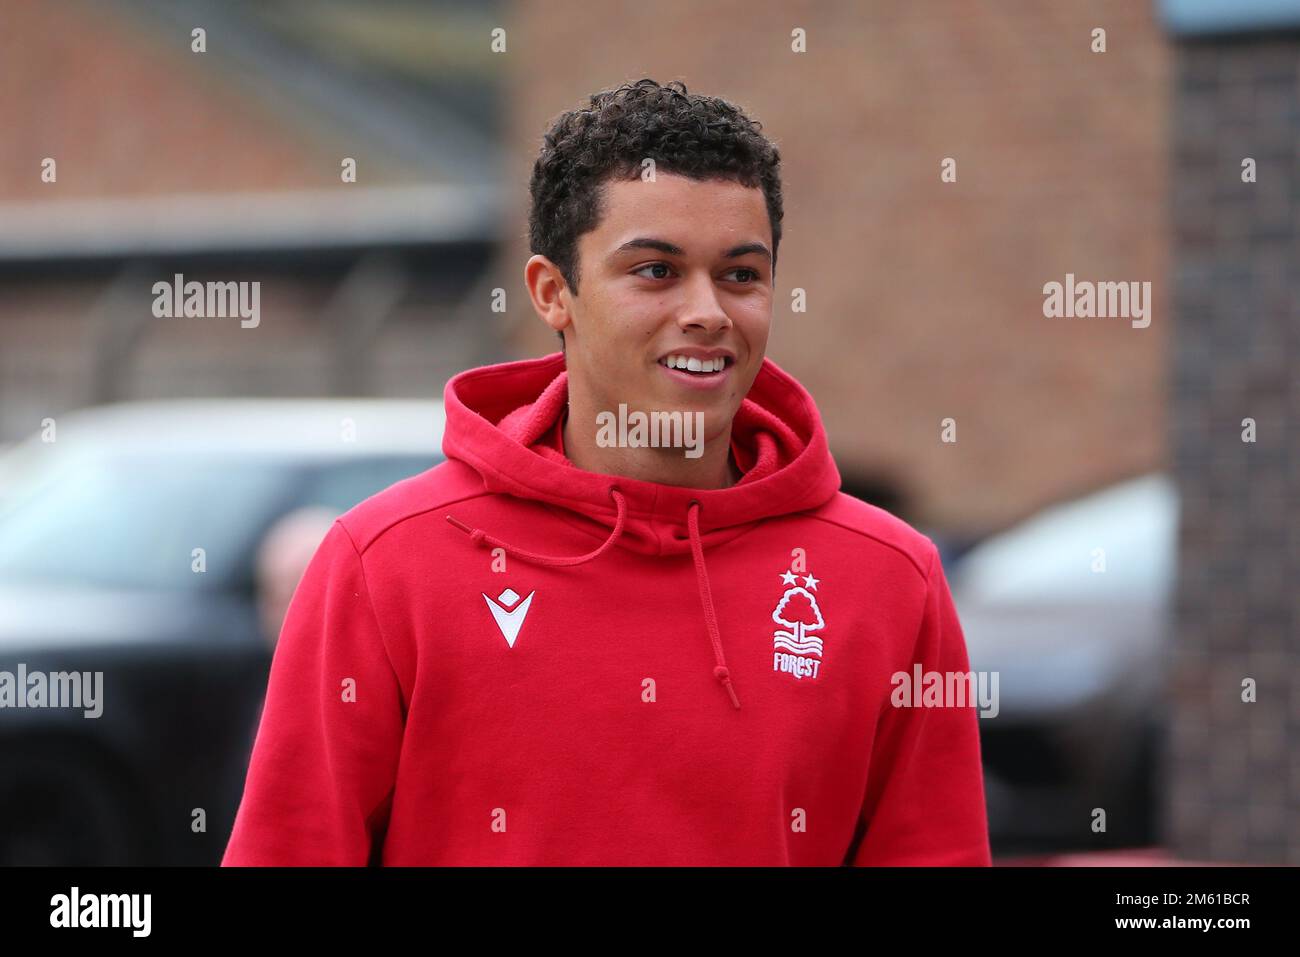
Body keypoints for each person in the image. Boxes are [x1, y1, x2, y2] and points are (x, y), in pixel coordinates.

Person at [221, 78, 991, 866]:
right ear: (554, 292)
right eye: (656, 271)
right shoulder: (383, 564)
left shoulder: (892, 580)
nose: (708, 311)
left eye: (740, 274)